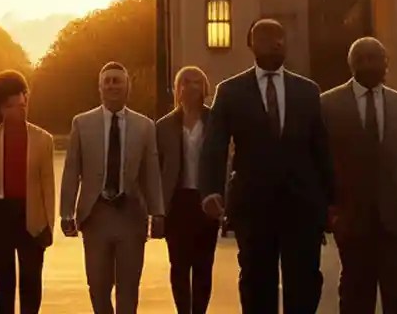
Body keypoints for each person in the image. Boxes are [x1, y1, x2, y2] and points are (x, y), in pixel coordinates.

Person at [199, 18, 333, 314]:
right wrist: (209, 190)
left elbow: (321, 149)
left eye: (280, 38)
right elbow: (214, 145)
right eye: (266, 37)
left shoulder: (307, 91)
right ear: (251, 45)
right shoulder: (231, 91)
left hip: (302, 205)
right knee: (257, 282)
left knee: (305, 281)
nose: (275, 43)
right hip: (253, 204)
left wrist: (331, 201)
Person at [320, 36, 397, 314]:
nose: (368, 64)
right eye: (361, 58)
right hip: (350, 217)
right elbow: (319, 161)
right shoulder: (327, 105)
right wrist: (327, 210)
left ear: (386, 63)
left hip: (396, 214)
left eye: (375, 58)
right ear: (351, 64)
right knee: (356, 292)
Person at [60, 61, 166, 314]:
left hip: (130, 214)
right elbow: (72, 169)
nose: (112, 86)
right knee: (97, 284)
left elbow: (151, 172)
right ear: (99, 88)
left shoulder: (144, 126)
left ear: (128, 86)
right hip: (95, 215)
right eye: (107, 81)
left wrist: (158, 211)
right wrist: (66, 212)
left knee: (129, 286)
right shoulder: (82, 124)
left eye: (117, 80)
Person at [0, 69, 56, 314]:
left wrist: (49, 225)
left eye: (22, 103)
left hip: (32, 216)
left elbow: (48, 183)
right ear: (0, 109)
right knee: (3, 283)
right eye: (12, 105)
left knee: (31, 281)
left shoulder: (43, 139)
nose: (20, 109)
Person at [155, 66, 220, 314]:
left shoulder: (215, 121)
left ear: (205, 88)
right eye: (185, 82)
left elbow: (227, 160)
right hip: (178, 203)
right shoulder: (164, 127)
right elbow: (156, 170)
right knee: (179, 266)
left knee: (204, 265)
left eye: (196, 82)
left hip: (207, 200)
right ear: (177, 89)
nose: (190, 86)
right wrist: (157, 210)